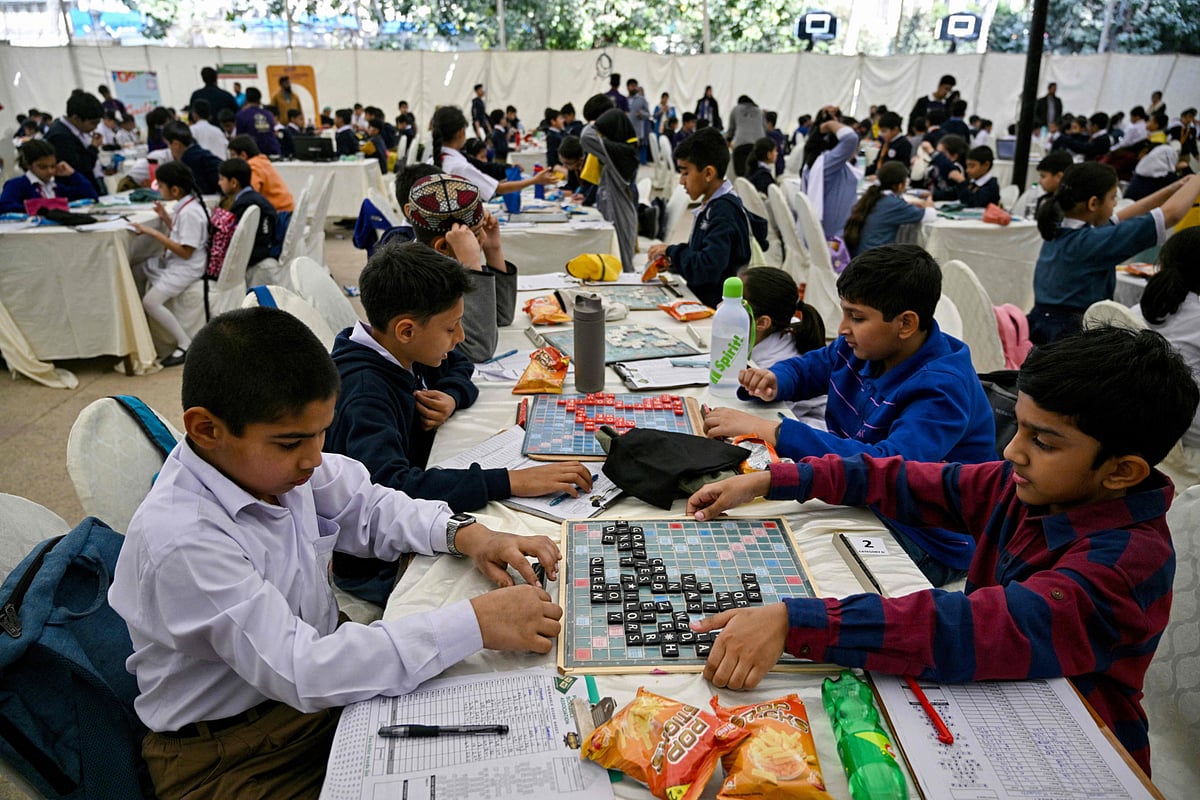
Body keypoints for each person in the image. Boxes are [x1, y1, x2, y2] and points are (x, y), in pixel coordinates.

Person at [686, 324, 1197, 777]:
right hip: (994, 701)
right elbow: (902, 478)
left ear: (1122, 471)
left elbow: (972, 626)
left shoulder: (1125, 562)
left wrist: (794, 622)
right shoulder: (1031, 485)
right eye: (1018, 427)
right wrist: (775, 480)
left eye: (1043, 441)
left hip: (1076, 752)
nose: (1011, 450)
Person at [109, 306, 566, 799]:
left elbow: (367, 506)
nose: (312, 457)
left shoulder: (270, 466)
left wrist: (471, 536)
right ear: (205, 430)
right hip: (233, 754)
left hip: (309, 701)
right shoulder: (184, 540)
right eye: (290, 442)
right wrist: (475, 623)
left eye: (321, 432)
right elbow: (301, 668)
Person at [705, 245, 996, 583]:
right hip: (861, 493)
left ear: (905, 323)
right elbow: (818, 365)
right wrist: (777, 379)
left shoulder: (942, 389)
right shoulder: (867, 344)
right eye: (844, 313)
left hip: (926, 537)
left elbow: (884, 467)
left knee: (808, 574)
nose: (842, 328)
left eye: (856, 317)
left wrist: (775, 431)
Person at [325, 241, 593, 603]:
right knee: (524, 585)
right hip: (376, 566)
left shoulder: (402, 347)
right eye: (452, 329)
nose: (461, 337)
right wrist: (509, 480)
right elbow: (391, 490)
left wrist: (452, 396)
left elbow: (460, 365)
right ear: (406, 330)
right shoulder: (364, 392)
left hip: (418, 509)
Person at [1029, 164, 1200, 344]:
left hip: (1044, 326)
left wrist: (1174, 188)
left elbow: (1122, 217)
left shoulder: (1060, 231)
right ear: (1093, 203)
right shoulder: (1091, 243)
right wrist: (1197, 178)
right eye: (1113, 197)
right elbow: (1169, 215)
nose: (1116, 203)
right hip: (1071, 335)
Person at [401, 172, 520, 363]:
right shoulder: (414, 279)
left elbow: (501, 316)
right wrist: (472, 267)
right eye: (472, 235)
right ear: (443, 246)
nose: (479, 239)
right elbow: (479, 349)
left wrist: (493, 250)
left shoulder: (443, 262)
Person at [645, 128, 768, 308]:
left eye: (686, 172)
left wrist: (672, 251)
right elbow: (702, 253)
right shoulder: (712, 205)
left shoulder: (723, 212)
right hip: (704, 300)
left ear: (708, 173)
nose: (681, 181)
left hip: (717, 310)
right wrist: (672, 260)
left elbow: (706, 269)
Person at [128, 162, 210, 368]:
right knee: (137, 269)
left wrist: (153, 232)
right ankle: (140, 329)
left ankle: (184, 342)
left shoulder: (190, 212)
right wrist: (165, 219)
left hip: (187, 267)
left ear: (175, 190)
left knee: (150, 302)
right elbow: (183, 236)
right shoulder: (187, 206)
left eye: (161, 186)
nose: (158, 190)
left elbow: (185, 251)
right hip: (179, 262)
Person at [430, 106, 556, 202]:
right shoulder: (460, 167)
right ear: (461, 132)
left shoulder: (433, 161)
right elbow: (498, 188)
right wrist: (534, 180)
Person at [843, 162, 935, 257]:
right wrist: (929, 203)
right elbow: (930, 215)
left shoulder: (875, 197)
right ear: (900, 185)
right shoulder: (894, 204)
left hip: (862, 254)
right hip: (876, 258)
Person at [800, 106, 861, 240]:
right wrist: (828, 124)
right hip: (836, 238)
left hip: (833, 233)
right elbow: (851, 138)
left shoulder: (815, 161)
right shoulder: (827, 163)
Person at [0, 139, 98, 213]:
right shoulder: (16, 185)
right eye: (43, 167)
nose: (50, 171)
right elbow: (4, 207)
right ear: (28, 165)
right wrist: (42, 207)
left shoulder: (56, 187)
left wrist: (73, 174)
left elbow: (91, 197)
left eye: (53, 166)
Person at [218, 158, 278, 265]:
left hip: (253, 256)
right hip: (265, 249)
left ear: (233, 183)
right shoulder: (256, 197)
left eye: (222, 179)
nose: (219, 183)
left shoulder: (243, 205)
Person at [45, 91, 105, 195]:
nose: (95, 127)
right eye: (93, 123)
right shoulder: (60, 136)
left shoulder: (77, 130)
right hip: (75, 192)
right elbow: (81, 167)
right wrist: (94, 148)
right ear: (76, 118)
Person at [227, 135, 295, 216]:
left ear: (243, 155)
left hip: (278, 213)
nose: (230, 160)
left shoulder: (252, 168)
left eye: (233, 155)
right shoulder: (262, 161)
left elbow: (249, 196)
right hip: (286, 209)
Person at [163, 121, 223, 196]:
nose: (169, 149)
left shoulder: (190, 160)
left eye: (168, 145)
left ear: (176, 144)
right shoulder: (198, 152)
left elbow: (202, 192)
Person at [1014, 150, 1073, 220]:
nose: (1040, 181)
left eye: (1043, 176)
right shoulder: (1043, 198)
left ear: (1059, 177)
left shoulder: (1068, 205)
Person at [234, 87, 281, 157]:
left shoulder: (241, 115)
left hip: (253, 155)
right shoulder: (268, 114)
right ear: (259, 99)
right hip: (273, 152)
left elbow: (240, 138)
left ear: (246, 99)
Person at [864, 111, 911, 178]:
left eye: (884, 131)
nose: (881, 134)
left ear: (895, 130)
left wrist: (879, 176)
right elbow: (876, 164)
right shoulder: (886, 143)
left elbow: (901, 170)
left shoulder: (904, 144)